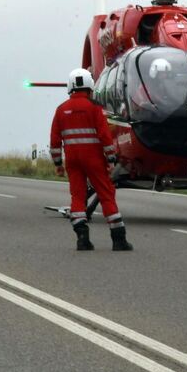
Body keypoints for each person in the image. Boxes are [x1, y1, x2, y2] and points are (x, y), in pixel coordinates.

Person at [50, 68, 132, 251]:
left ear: (70, 87)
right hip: (94, 160)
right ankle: (118, 239)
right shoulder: (95, 108)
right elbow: (105, 136)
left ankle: (82, 237)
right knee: (106, 194)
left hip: (72, 161)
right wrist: (111, 159)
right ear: (90, 86)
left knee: (77, 196)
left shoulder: (61, 110)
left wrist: (58, 164)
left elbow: (55, 141)